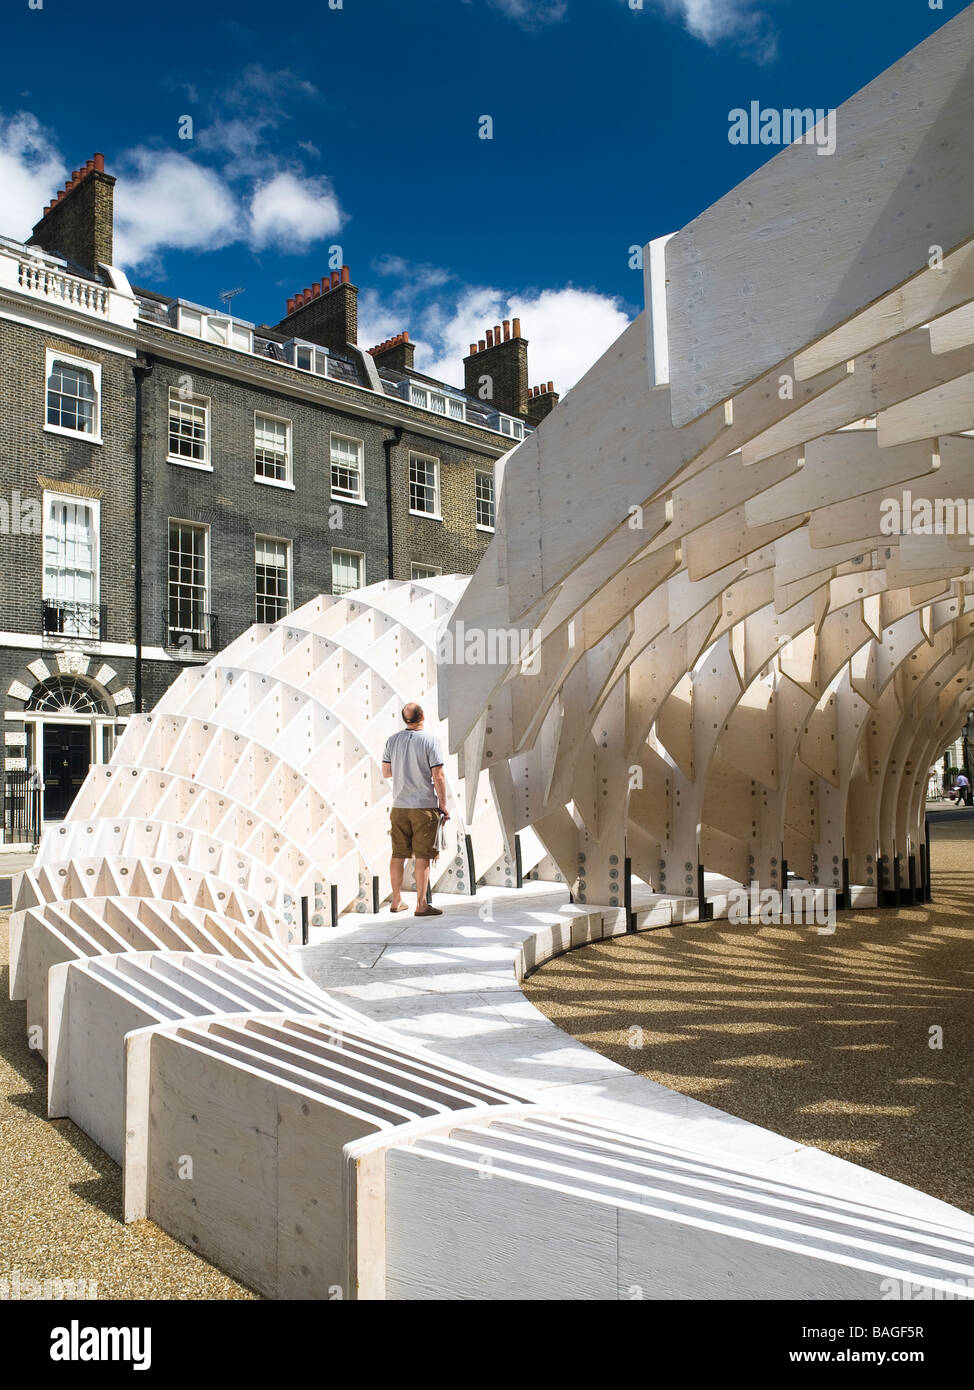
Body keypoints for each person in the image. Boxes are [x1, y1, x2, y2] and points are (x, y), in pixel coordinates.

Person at [382, 702, 449, 916]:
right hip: (423, 806)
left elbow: (386, 772)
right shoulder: (430, 741)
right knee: (423, 856)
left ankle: (396, 901)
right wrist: (443, 805)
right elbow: (438, 775)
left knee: (398, 854)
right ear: (423, 716)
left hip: (399, 806)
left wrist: (405, 769)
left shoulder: (392, 741)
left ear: (405, 720)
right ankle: (421, 905)